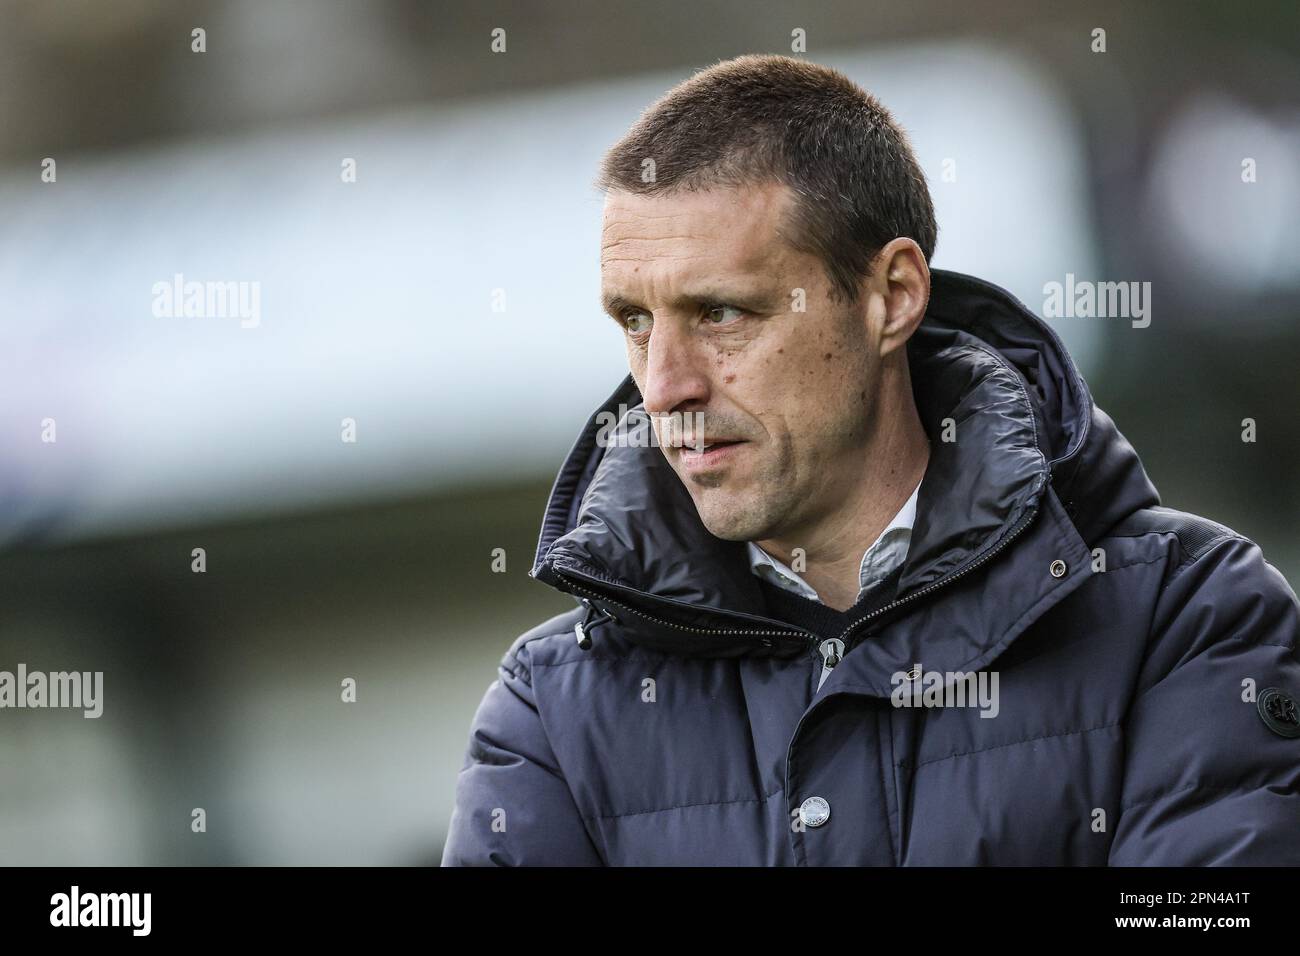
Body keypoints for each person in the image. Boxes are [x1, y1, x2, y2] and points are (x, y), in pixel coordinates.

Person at [441, 53, 1300, 865]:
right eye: (634, 321)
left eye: (722, 313)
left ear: (891, 298)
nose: (663, 386)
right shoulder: (551, 712)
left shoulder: (1186, 615)